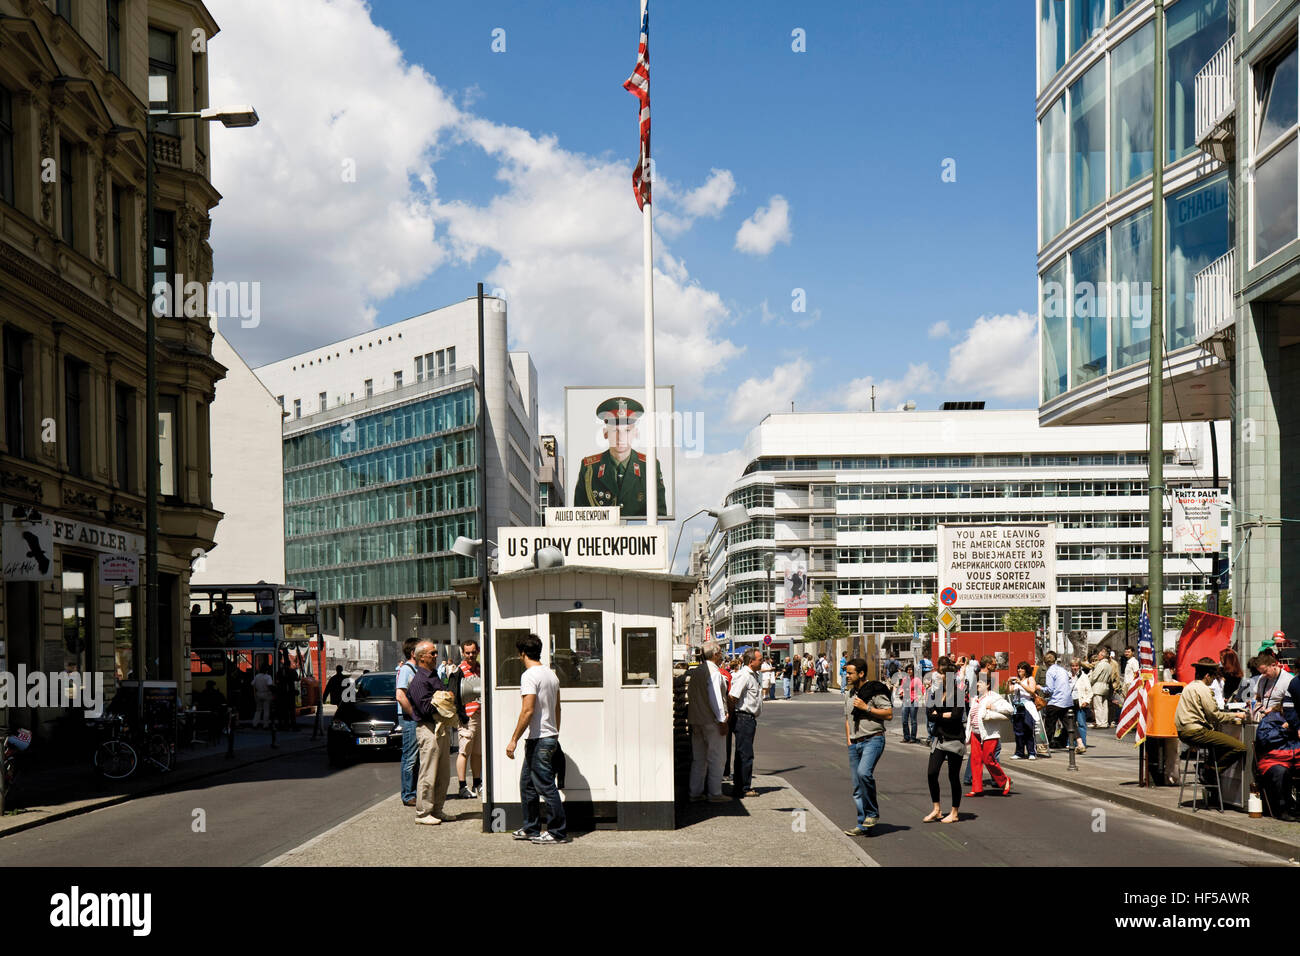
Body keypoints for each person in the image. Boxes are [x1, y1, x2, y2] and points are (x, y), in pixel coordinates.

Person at [506, 633, 567, 844]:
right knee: (528, 784)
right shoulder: (552, 675)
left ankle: (557, 832)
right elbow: (557, 707)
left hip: (540, 739)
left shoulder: (529, 675)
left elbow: (528, 710)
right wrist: (555, 733)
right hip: (546, 737)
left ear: (522, 653)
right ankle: (531, 828)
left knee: (545, 786)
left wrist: (513, 739)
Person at [571, 396, 667, 517]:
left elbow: (660, 516)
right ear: (605, 433)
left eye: (627, 431)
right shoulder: (590, 468)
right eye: (615, 431)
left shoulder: (649, 466)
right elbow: (580, 517)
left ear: (635, 433)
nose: (621, 437)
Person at [1174, 657, 1247, 789]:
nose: (1213, 680)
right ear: (1207, 675)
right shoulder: (1203, 689)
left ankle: (1208, 766)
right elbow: (1215, 715)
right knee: (1240, 747)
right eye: (1213, 677)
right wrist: (1236, 715)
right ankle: (1210, 771)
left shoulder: (1189, 686)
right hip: (1196, 731)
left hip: (1183, 732)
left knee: (1220, 743)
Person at [842, 657, 892, 836]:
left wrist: (866, 708)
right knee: (857, 786)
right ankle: (863, 824)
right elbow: (847, 718)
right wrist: (849, 740)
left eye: (850, 673)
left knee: (864, 773)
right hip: (854, 743)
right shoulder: (848, 694)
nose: (846, 676)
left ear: (861, 673)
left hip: (873, 739)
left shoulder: (875, 691)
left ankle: (872, 813)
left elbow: (888, 714)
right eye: (846, 672)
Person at [409, 641, 455, 825]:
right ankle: (423, 813)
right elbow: (426, 707)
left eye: (436, 653)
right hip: (428, 729)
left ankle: (437, 809)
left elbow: (443, 699)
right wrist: (445, 698)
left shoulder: (434, 675)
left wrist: (444, 699)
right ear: (421, 657)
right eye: (432, 653)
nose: (436, 656)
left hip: (440, 728)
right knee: (428, 773)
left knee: (443, 773)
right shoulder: (420, 680)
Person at [686, 641, 730, 804]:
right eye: (721, 653)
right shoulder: (714, 672)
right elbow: (716, 699)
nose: (722, 655)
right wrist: (722, 720)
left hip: (696, 720)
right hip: (711, 721)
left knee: (699, 758)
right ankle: (715, 793)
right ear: (716, 654)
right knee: (717, 757)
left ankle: (695, 792)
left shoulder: (696, 672)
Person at [924, 660, 967, 824]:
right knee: (931, 773)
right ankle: (937, 809)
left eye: (940, 673)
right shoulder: (935, 693)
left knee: (953, 776)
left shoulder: (957, 694)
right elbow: (929, 714)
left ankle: (955, 812)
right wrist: (944, 715)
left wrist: (939, 715)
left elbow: (956, 716)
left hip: (955, 739)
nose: (937, 676)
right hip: (939, 739)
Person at [965, 681, 1013, 797]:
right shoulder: (976, 698)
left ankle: (1004, 780)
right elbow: (971, 717)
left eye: (980, 683)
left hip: (989, 734)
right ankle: (976, 789)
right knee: (975, 760)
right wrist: (968, 733)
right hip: (975, 732)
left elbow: (1010, 709)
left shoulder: (994, 697)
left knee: (988, 759)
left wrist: (993, 707)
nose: (977, 685)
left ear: (987, 685)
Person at [449, 639, 483, 800]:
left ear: (478, 651)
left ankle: (478, 783)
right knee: (464, 752)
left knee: (477, 753)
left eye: (473, 652)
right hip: (467, 719)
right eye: (467, 652)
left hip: (480, 716)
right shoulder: (458, 671)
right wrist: (461, 717)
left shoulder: (480, 668)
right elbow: (453, 695)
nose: (471, 655)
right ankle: (462, 787)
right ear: (463, 653)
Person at [728, 648, 763, 800]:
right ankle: (742, 787)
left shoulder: (752, 675)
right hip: (743, 718)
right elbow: (733, 696)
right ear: (751, 661)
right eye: (760, 659)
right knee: (745, 754)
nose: (762, 661)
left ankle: (741, 786)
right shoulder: (744, 675)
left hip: (748, 718)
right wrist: (730, 716)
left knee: (743, 753)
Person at [1254, 707, 1300, 822]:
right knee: (1281, 772)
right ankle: (1282, 809)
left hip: (1295, 759)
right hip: (1274, 760)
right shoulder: (1270, 720)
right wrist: (1283, 729)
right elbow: (1263, 740)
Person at [395, 637, 421, 807]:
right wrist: (413, 713)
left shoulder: (415, 669)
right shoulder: (406, 670)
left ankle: (414, 792)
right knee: (410, 757)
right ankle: (408, 794)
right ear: (413, 653)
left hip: (414, 717)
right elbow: (400, 695)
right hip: (409, 718)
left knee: (416, 757)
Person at [1042, 651, 1074, 750]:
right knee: (1069, 725)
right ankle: (1077, 743)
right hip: (1067, 701)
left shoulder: (1050, 671)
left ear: (1045, 662)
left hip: (1055, 702)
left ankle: (1045, 745)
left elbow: (1050, 689)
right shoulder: (1062, 670)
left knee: (1049, 725)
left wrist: (1040, 688)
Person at [1008, 661, 1038, 760]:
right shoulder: (1017, 680)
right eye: (1018, 668)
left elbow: (1032, 691)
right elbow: (1009, 691)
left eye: (1022, 668)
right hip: (1017, 706)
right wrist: (1009, 682)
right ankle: (1019, 752)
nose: (1019, 670)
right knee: (1018, 730)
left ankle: (1031, 752)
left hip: (1027, 706)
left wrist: (1020, 683)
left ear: (1026, 670)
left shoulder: (1030, 679)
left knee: (1028, 729)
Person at [1069, 658, 1091, 754]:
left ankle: (1082, 744)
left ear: (1079, 666)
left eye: (1076, 666)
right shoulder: (1068, 676)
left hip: (1080, 702)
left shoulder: (1084, 676)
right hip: (1069, 702)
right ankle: (1071, 743)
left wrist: (1086, 701)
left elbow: (1089, 691)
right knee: (1070, 724)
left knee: (1081, 724)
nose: (1075, 668)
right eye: (1073, 666)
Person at [1090, 650, 1113, 729]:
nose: (1098, 656)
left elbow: (1094, 676)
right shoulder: (1109, 665)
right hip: (1105, 686)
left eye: (1099, 655)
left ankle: (1100, 723)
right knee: (1104, 706)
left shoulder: (1100, 664)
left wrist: (1089, 683)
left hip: (1097, 686)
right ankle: (1105, 722)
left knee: (1098, 706)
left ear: (1102, 656)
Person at [900, 663, 922, 743]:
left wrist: (921, 697)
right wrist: (901, 692)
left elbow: (921, 689)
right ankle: (906, 737)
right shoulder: (905, 679)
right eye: (908, 669)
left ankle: (913, 738)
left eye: (911, 669)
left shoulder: (917, 679)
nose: (909, 671)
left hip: (914, 700)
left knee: (913, 721)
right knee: (904, 721)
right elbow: (901, 687)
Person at [251, 663, 275, 729]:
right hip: (266, 694)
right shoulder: (268, 677)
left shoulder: (257, 676)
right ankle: (265, 725)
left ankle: (255, 724)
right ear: (266, 670)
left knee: (258, 710)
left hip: (258, 694)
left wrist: (255, 694)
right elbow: (270, 685)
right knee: (266, 710)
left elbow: (252, 684)